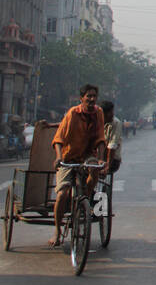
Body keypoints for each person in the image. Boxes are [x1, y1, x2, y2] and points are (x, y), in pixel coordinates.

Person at [50, 85, 107, 247]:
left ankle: (86, 199)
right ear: (81, 98)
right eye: (88, 96)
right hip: (68, 157)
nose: (91, 99)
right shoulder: (72, 113)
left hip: (88, 155)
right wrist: (59, 158)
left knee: (94, 170)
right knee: (62, 194)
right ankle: (57, 231)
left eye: (94, 96)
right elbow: (58, 139)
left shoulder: (98, 113)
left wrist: (101, 159)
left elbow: (101, 138)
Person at [101, 100, 123, 174]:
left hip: (112, 160)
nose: (112, 114)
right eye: (109, 112)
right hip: (96, 158)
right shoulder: (95, 121)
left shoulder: (116, 123)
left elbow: (112, 147)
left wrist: (107, 166)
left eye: (112, 111)